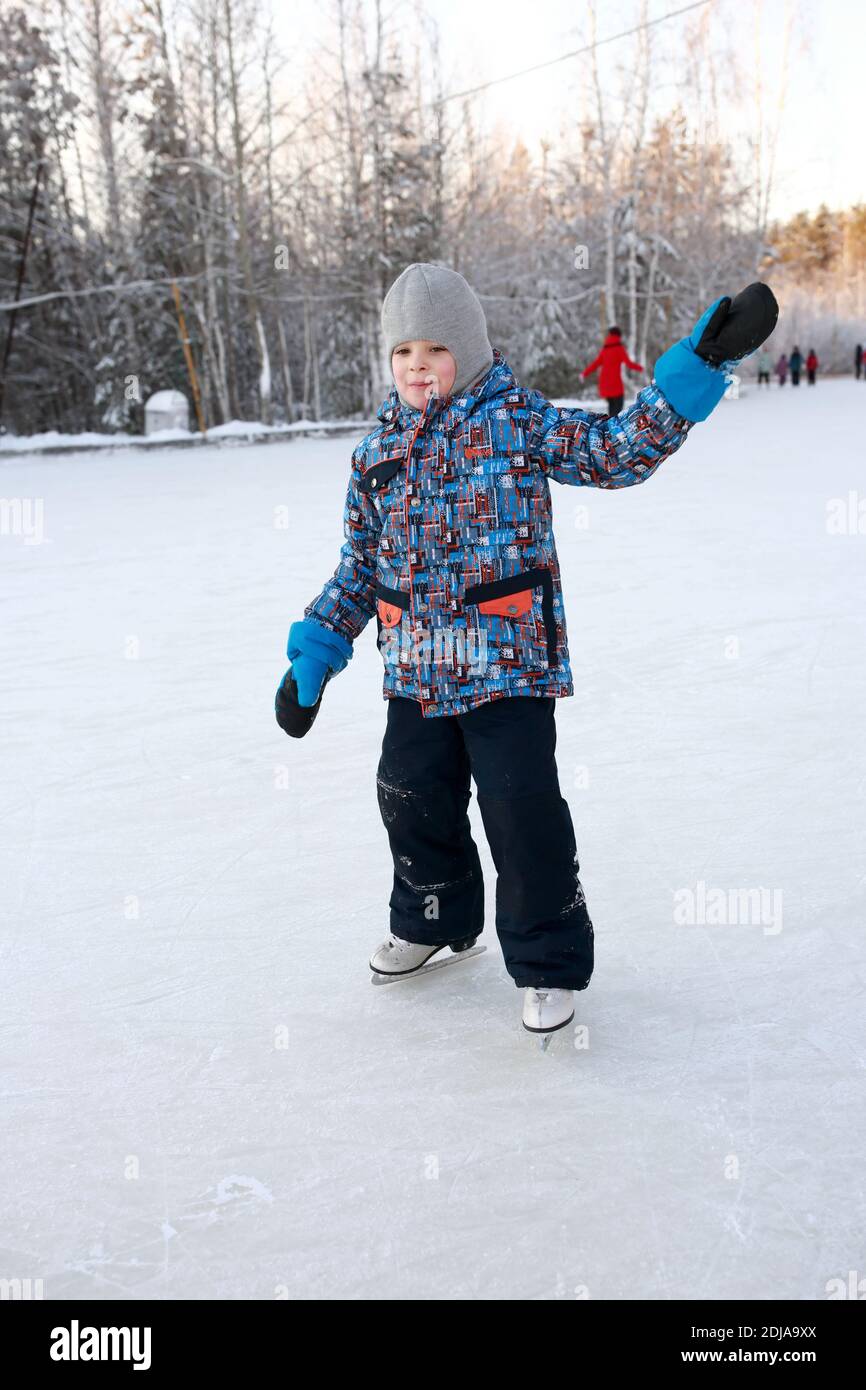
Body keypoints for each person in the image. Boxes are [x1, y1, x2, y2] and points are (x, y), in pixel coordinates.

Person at [275, 266, 778, 1041]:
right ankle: (435, 917)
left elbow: (616, 452)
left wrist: (696, 368)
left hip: (507, 662)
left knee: (520, 810)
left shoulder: (515, 418)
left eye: (435, 347)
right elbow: (360, 568)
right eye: (402, 348)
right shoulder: (374, 453)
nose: (416, 363)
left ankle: (546, 963)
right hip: (415, 667)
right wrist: (316, 650)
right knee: (409, 796)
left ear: (469, 352)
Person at [580, 326, 643, 416]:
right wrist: (641, 368)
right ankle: (613, 427)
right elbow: (629, 364)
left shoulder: (605, 349)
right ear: (618, 336)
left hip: (605, 384)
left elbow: (595, 364)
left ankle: (610, 425)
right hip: (615, 384)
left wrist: (584, 374)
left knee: (611, 408)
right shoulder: (619, 348)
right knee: (618, 409)